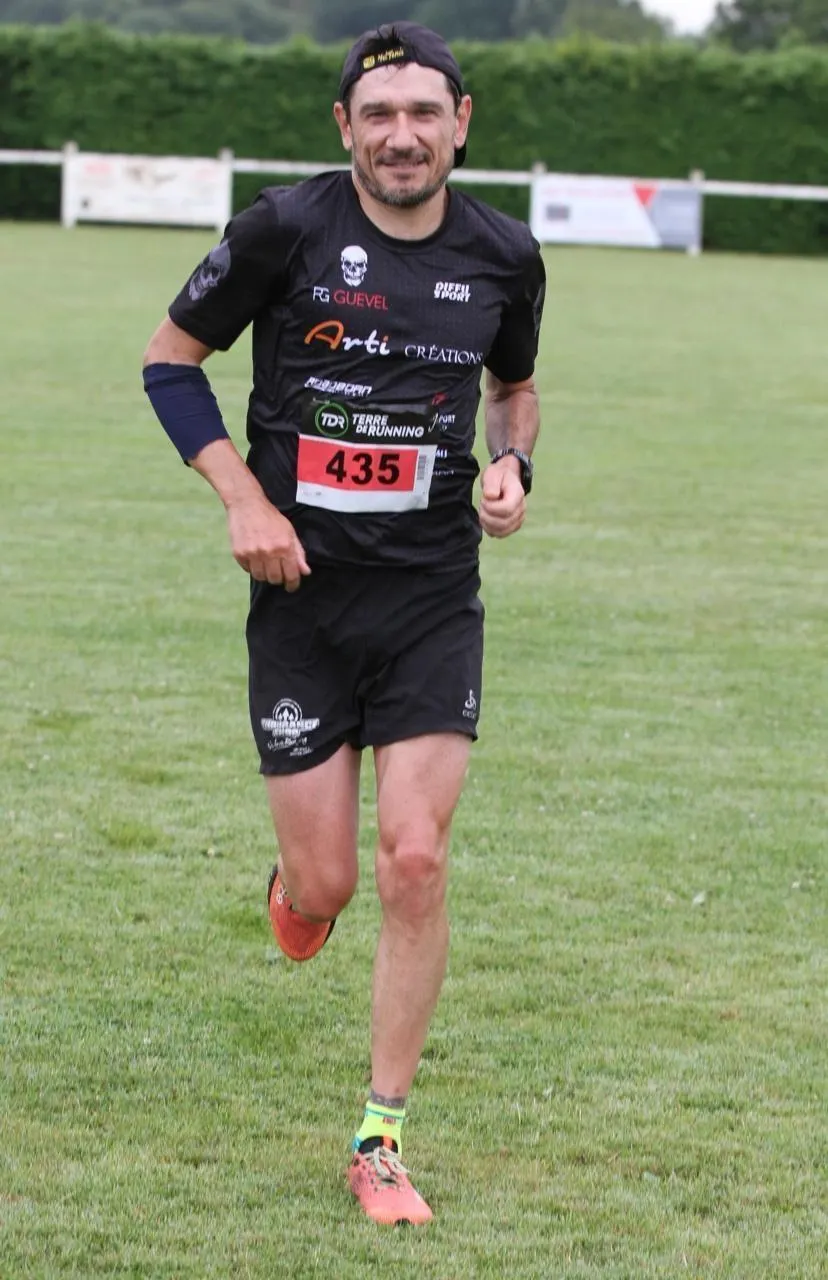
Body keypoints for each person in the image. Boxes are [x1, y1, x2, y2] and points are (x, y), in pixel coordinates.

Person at [142, 20, 545, 1226]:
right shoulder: (286, 230)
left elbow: (512, 387)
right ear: (346, 130)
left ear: (460, 122)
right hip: (303, 601)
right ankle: (299, 887)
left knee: (413, 858)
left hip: (431, 596)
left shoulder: (505, 257)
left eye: (426, 113)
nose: (403, 135)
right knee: (324, 887)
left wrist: (514, 465)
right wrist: (245, 499)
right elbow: (170, 362)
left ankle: (379, 1136)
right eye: (380, 116)